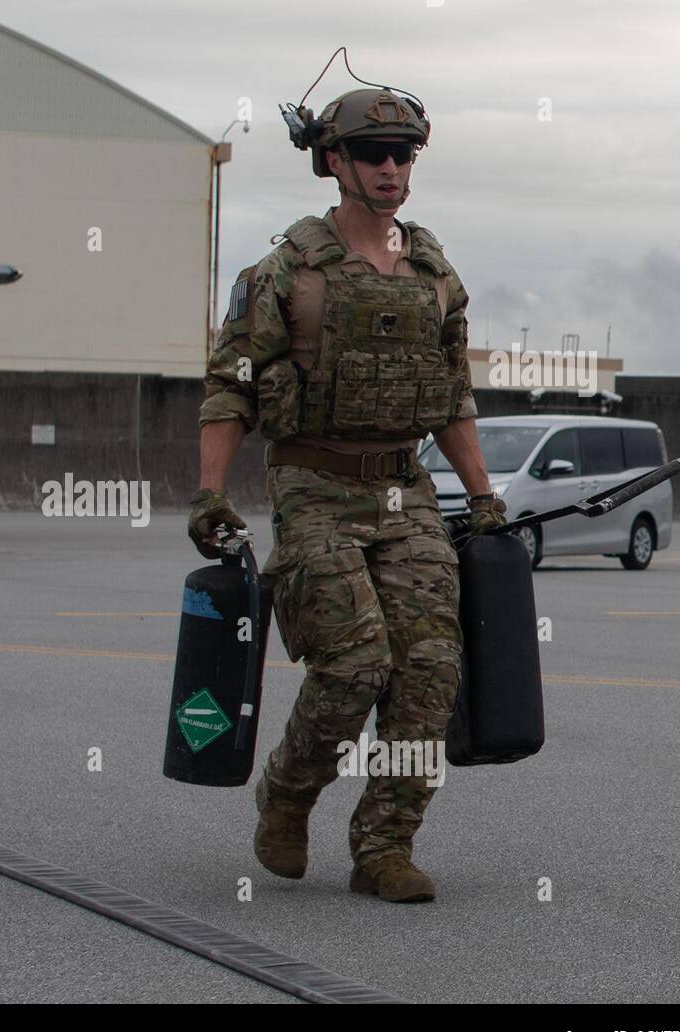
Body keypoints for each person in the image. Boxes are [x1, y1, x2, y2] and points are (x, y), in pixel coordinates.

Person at [189, 86, 506, 903]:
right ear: (334, 161)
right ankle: (288, 796)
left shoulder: (435, 273)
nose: (392, 169)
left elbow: (453, 400)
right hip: (316, 486)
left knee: (431, 668)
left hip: (406, 489)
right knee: (355, 663)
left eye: (404, 155)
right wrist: (210, 493)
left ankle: (385, 845)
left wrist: (483, 496)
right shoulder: (287, 272)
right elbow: (231, 387)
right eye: (373, 154)